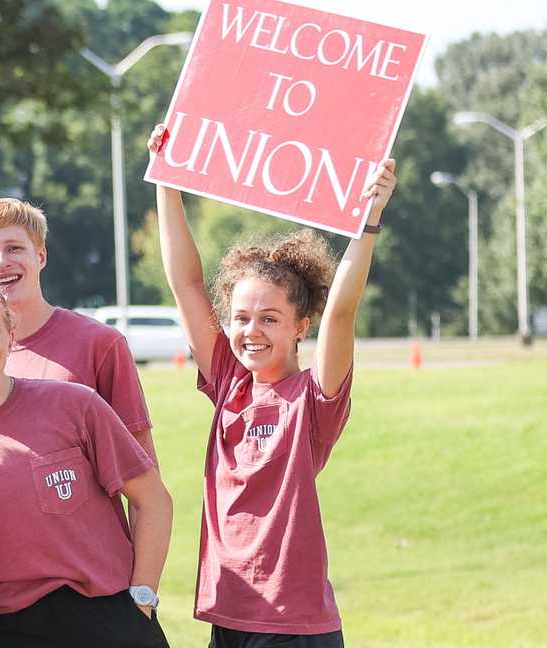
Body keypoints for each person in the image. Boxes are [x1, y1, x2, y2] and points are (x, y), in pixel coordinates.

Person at [150, 124, 397, 648]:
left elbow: (343, 313)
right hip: (229, 615)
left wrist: (368, 220)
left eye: (269, 318)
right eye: (240, 317)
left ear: (299, 326)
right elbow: (186, 283)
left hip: (292, 626)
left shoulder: (312, 399)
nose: (250, 331)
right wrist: (166, 181)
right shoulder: (228, 384)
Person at [0, 278, 173, 648]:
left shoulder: (74, 404)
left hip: (112, 618)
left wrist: (142, 599)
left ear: (10, 338)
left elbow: (153, 500)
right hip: (13, 628)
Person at [0, 198, 157, 460]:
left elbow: (141, 462)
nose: (0, 262)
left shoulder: (99, 343)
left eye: (14, 248)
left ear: (40, 256)